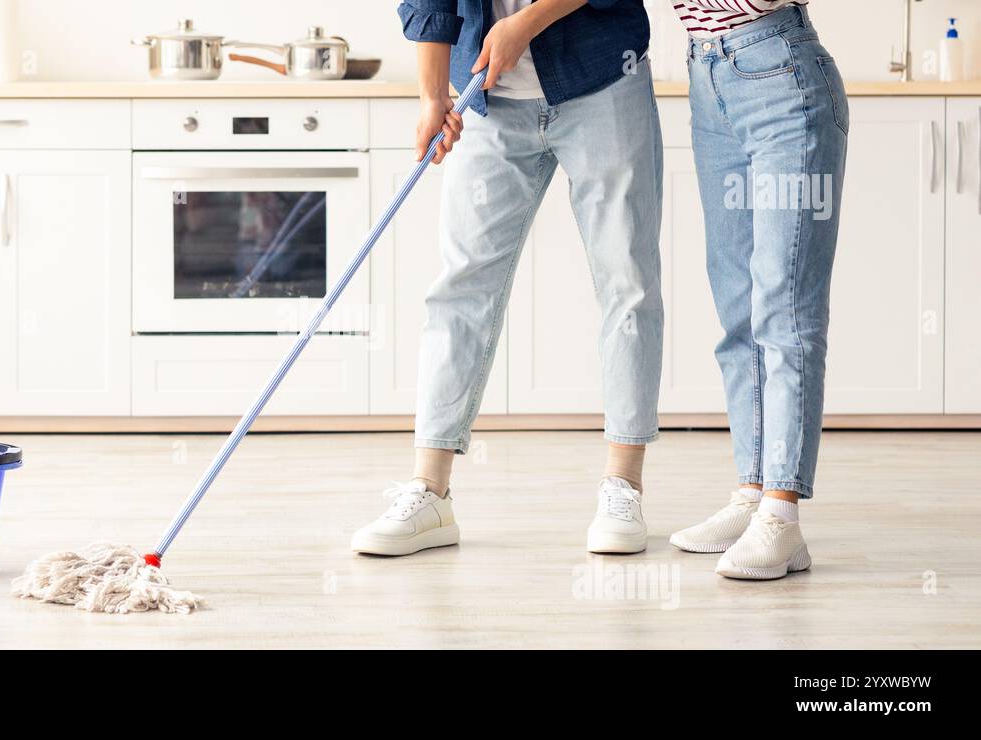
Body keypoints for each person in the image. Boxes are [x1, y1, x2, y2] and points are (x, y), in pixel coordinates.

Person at [351, 0, 665, 557]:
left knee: (627, 281)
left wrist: (526, 22)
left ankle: (624, 484)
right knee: (460, 287)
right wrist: (432, 96)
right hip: (489, 101)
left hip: (602, 83)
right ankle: (430, 490)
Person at [667, 1, 848, 580]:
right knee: (737, 307)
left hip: (781, 72)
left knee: (785, 305)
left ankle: (781, 515)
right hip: (706, 74)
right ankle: (752, 490)